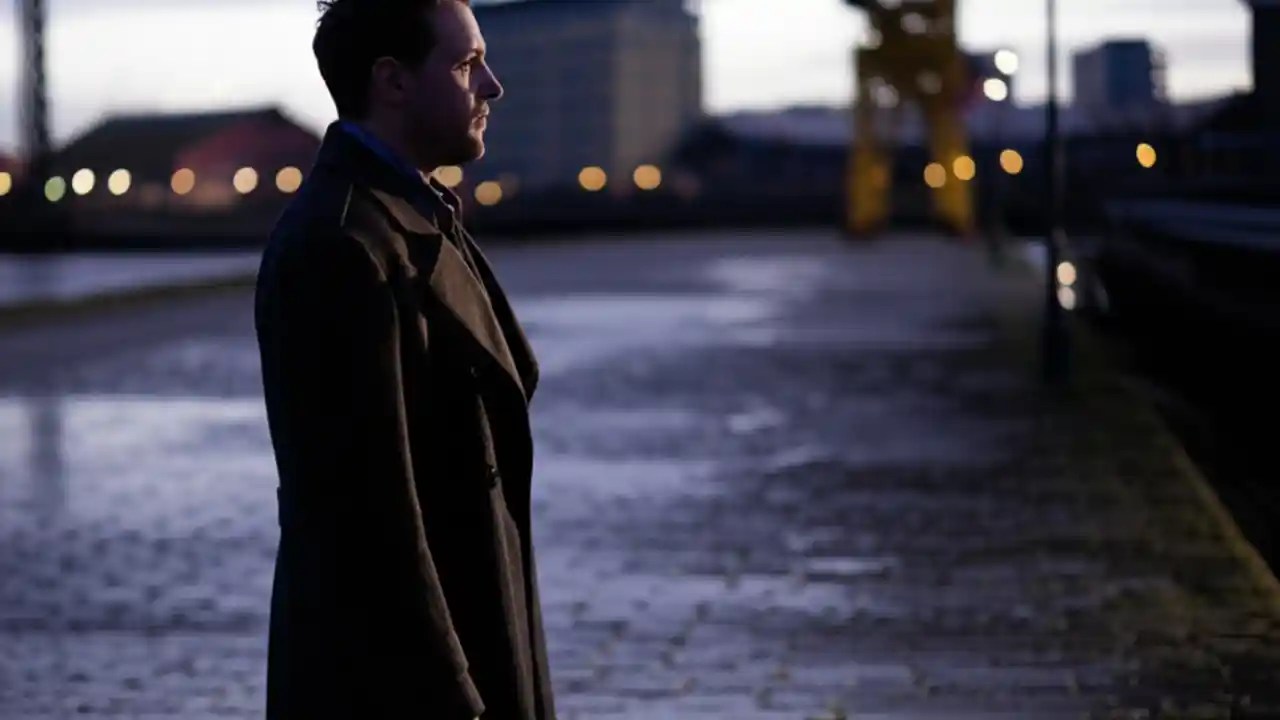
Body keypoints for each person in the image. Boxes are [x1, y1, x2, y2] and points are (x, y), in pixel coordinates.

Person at [253, 1, 555, 718]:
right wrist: (456, 697)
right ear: (392, 82)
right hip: (402, 684)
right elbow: (363, 519)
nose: (492, 86)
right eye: (465, 64)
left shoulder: (411, 217)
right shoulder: (340, 246)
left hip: (459, 640)